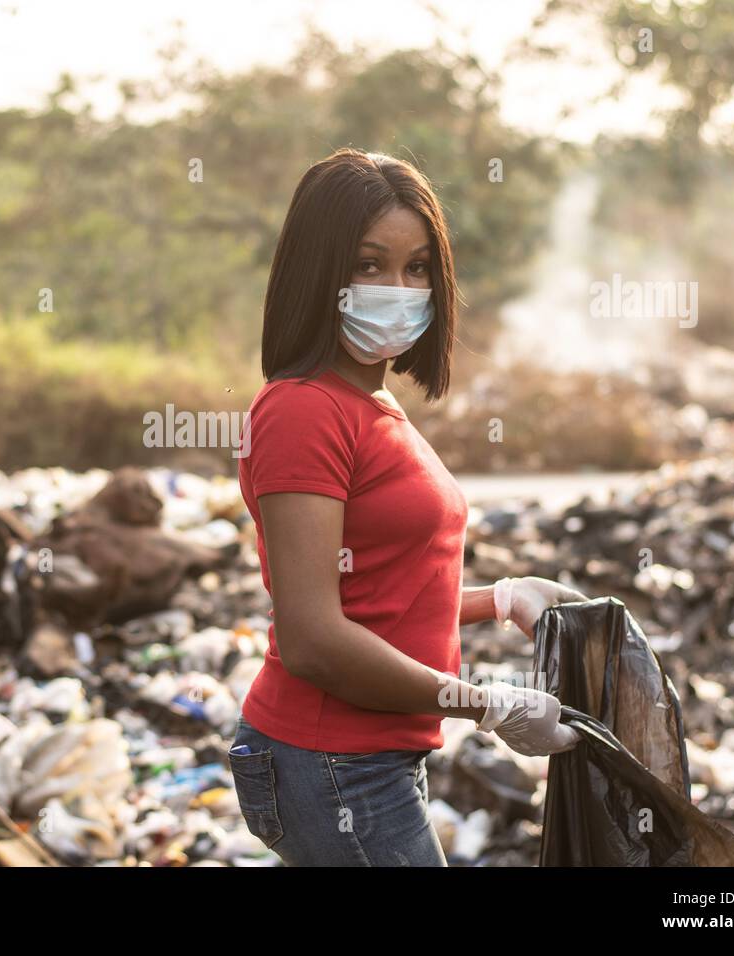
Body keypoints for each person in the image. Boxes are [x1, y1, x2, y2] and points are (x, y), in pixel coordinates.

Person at [229, 149, 589, 866]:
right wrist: (486, 704)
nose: (398, 287)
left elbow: (378, 594)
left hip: (370, 758)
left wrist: (498, 599)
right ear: (319, 271)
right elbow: (312, 635)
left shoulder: (372, 401)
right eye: (369, 265)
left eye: (416, 267)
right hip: (331, 760)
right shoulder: (304, 410)